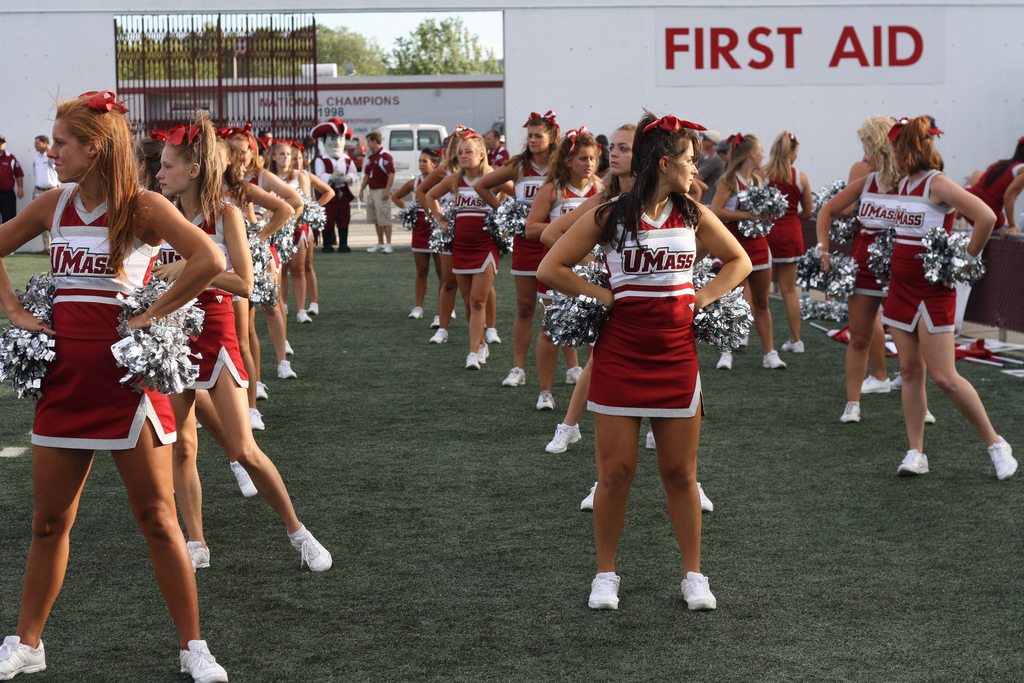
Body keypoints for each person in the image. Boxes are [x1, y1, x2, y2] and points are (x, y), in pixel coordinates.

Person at [0, 91, 228, 682]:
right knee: (48, 523)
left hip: (128, 387)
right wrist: (16, 313)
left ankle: (194, 647)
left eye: (62, 143)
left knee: (157, 518)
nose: (52, 153)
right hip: (65, 385)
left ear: (95, 148)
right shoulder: (52, 206)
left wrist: (152, 314)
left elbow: (207, 258)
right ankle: (27, 643)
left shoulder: (142, 206)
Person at [538, 113, 751, 612]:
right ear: (664, 163)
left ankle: (694, 575)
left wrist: (702, 298)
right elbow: (551, 265)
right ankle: (605, 575)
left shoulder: (693, 213)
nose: (696, 167)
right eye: (689, 159)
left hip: (676, 358)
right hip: (620, 357)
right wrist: (602, 296)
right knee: (615, 473)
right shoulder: (610, 215)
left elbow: (739, 260)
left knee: (680, 474)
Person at [153, 111, 332, 576]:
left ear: (193, 169)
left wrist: (195, 266)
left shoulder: (226, 212)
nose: (159, 173)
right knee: (182, 448)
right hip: (172, 338)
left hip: (215, 335)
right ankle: (197, 542)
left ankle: (298, 532)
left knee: (244, 449)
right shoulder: (160, 212)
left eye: (167, 166)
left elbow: (245, 284)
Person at [881, 116, 1015, 480]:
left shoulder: (936, 183)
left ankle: (997, 444)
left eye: (893, 150)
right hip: (900, 289)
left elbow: (986, 216)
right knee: (909, 371)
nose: (891, 157)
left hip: (932, 291)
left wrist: (966, 260)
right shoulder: (904, 184)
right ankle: (916, 453)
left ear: (906, 150)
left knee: (944, 377)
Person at [817, 115, 905, 423]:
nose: (864, 158)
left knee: (908, 341)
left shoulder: (910, 184)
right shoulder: (866, 183)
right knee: (859, 338)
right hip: (864, 272)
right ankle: (852, 404)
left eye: (868, 149)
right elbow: (826, 211)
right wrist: (824, 252)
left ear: (880, 149)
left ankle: (919, 402)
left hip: (899, 272)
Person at [475, 111, 560, 388]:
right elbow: (481, 184)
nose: (533, 140)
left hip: (557, 246)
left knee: (558, 309)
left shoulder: (562, 165)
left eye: (538, 136)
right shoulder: (520, 166)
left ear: (552, 138)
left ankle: (573, 368)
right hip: (526, 243)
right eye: (530, 136)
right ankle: (518, 369)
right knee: (524, 309)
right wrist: (506, 212)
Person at [524, 127, 602, 410]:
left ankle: (597, 390)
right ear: (568, 161)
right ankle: (545, 392)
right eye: (582, 158)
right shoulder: (552, 189)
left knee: (596, 332)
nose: (589, 164)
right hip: (557, 269)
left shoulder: (601, 188)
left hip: (591, 271)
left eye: (592, 158)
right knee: (549, 330)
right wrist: (570, 231)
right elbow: (531, 228)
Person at [711, 133, 786, 370]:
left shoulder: (757, 180)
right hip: (735, 248)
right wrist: (748, 215)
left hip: (759, 247)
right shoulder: (729, 180)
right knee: (732, 301)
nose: (763, 155)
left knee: (762, 302)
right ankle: (726, 353)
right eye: (761, 151)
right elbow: (716, 211)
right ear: (752, 154)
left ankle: (770, 354)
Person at [425, 132, 495, 369]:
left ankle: (472, 353)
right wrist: (440, 220)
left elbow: (513, 193)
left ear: (481, 154)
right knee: (468, 303)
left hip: (486, 246)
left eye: (468, 152)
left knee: (477, 300)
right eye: (460, 152)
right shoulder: (454, 180)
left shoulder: (491, 177)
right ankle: (481, 344)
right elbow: (430, 195)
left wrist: (504, 218)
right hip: (461, 246)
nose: (463, 156)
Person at [763, 131, 813, 354]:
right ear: (791, 152)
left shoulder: (763, 175)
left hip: (766, 233)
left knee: (756, 288)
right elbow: (808, 211)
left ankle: (742, 337)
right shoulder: (801, 177)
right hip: (792, 233)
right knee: (789, 291)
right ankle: (796, 340)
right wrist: (791, 218)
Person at [392, 148, 443, 319]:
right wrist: (409, 210)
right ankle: (418, 307)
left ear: (435, 164)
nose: (421, 164)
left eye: (425, 161)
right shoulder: (415, 183)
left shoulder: (443, 181)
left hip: (438, 230)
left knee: (442, 273)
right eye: (420, 161)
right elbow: (396, 196)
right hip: (420, 230)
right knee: (421, 271)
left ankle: (445, 308)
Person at [311, 117, 358, 253]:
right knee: (328, 218)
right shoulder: (321, 159)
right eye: (332, 138)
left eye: (340, 138)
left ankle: (343, 243)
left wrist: (347, 178)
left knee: (344, 217)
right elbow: (320, 176)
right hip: (328, 194)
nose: (337, 142)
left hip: (343, 193)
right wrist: (331, 177)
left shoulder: (347, 159)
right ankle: (327, 244)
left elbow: (354, 173)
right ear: (325, 140)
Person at [964, 135, 1024, 237]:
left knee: (978, 173)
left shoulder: (1001, 163)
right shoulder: (1022, 170)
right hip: (985, 214)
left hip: (966, 205)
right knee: (1005, 224)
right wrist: (1012, 225)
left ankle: (957, 215)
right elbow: (1009, 196)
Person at [359, 131, 395, 253]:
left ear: (375, 141)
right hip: (372, 191)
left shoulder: (384, 155)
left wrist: (387, 190)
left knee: (385, 217)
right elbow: (367, 175)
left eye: (369, 141)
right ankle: (380, 243)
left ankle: (388, 243)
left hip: (381, 190)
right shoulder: (371, 157)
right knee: (376, 219)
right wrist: (362, 189)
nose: (367, 144)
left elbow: (391, 173)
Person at [31, 136, 59, 252]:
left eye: (37, 143)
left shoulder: (51, 156)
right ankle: (47, 247)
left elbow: (54, 163)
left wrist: (48, 149)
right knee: (40, 219)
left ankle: (55, 247)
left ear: (44, 143)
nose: (35, 145)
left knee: (53, 219)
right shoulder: (35, 158)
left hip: (51, 190)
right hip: (39, 190)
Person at [696, 130, 725, 206]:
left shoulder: (714, 160)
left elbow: (697, 177)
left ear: (710, 142)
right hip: (709, 201)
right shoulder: (713, 158)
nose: (701, 141)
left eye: (704, 139)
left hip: (705, 202)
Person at [0, 135, 24, 223]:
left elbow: (19, 174)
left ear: (5, 144)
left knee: (9, 221)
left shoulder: (11, 158)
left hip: (7, 195)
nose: (0, 144)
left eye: (2, 142)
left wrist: (20, 189)